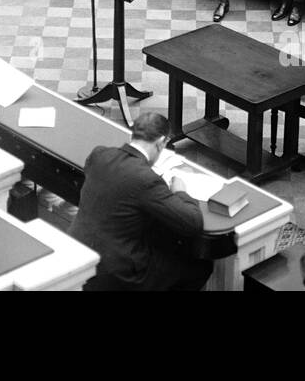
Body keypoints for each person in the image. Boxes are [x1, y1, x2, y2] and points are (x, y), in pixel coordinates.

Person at [69, 110, 213, 292]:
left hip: (80, 252)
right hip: (117, 273)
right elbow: (192, 222)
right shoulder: (147, 180)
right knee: (200, 267)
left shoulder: (99, 155)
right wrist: (181, 192)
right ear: (161, 143)